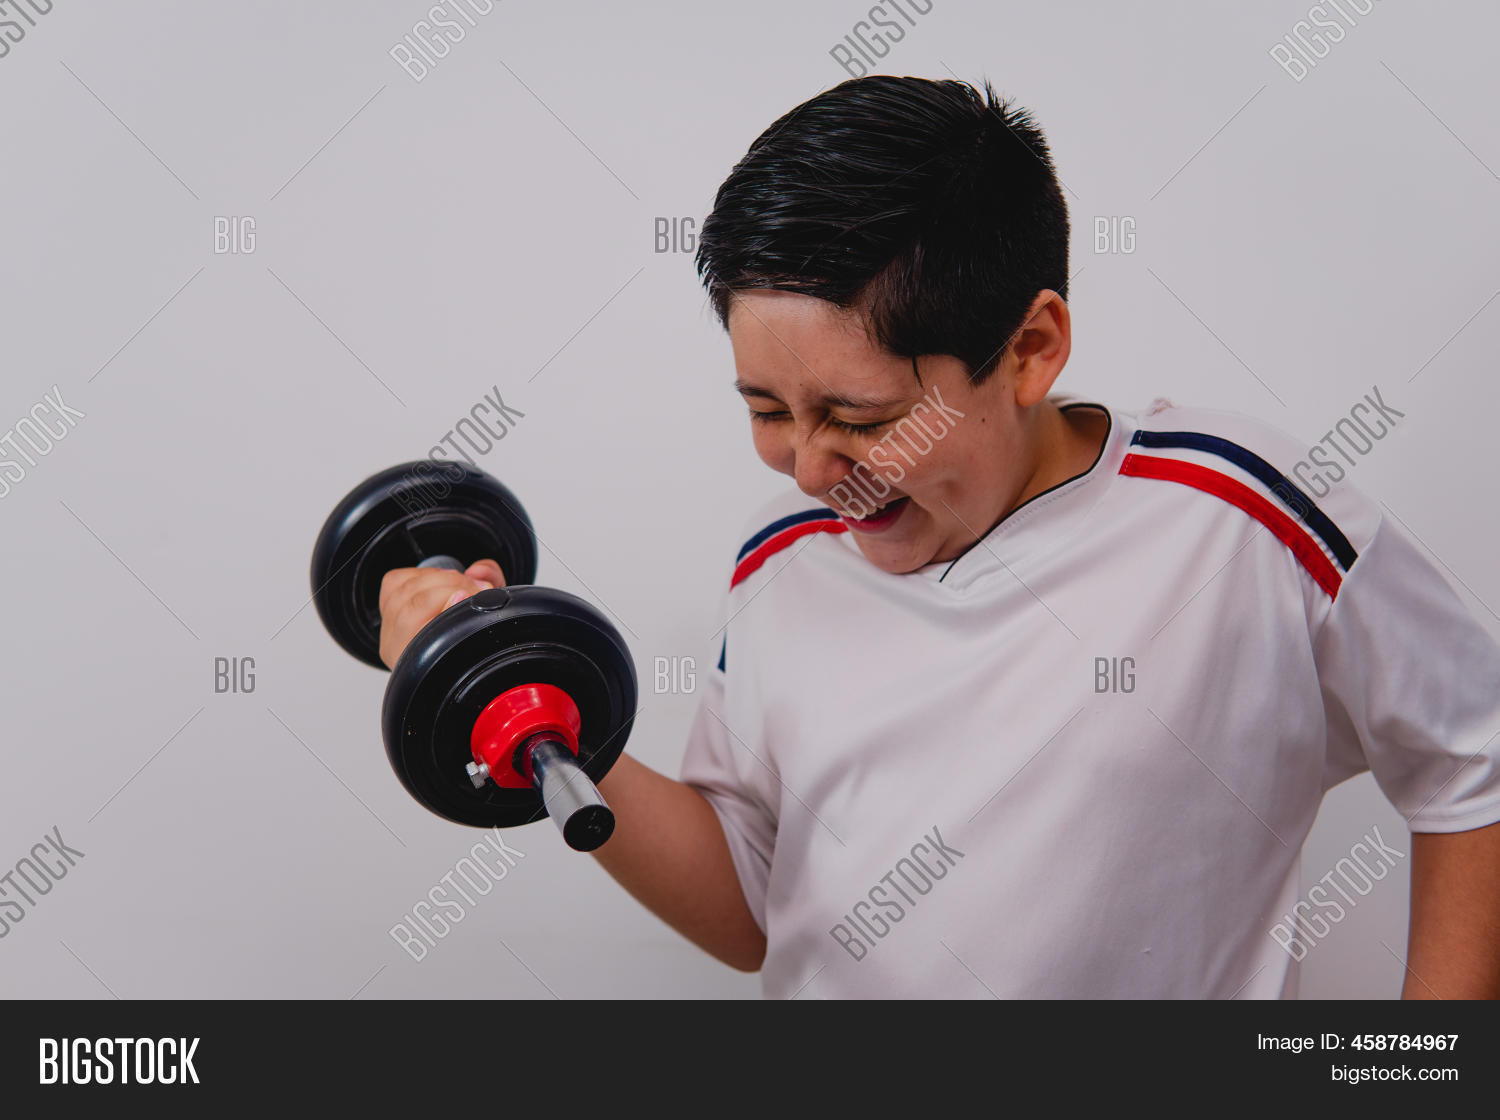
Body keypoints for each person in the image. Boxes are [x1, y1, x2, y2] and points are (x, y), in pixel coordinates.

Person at [377, 76, 1500, 998]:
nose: (813, 470)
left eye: (859, 421)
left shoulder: (1240, 519)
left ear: (1030, 347)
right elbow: (752, 907)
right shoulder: (782, 562)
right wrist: (523, 700)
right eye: (767, 411)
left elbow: (1474, 758)